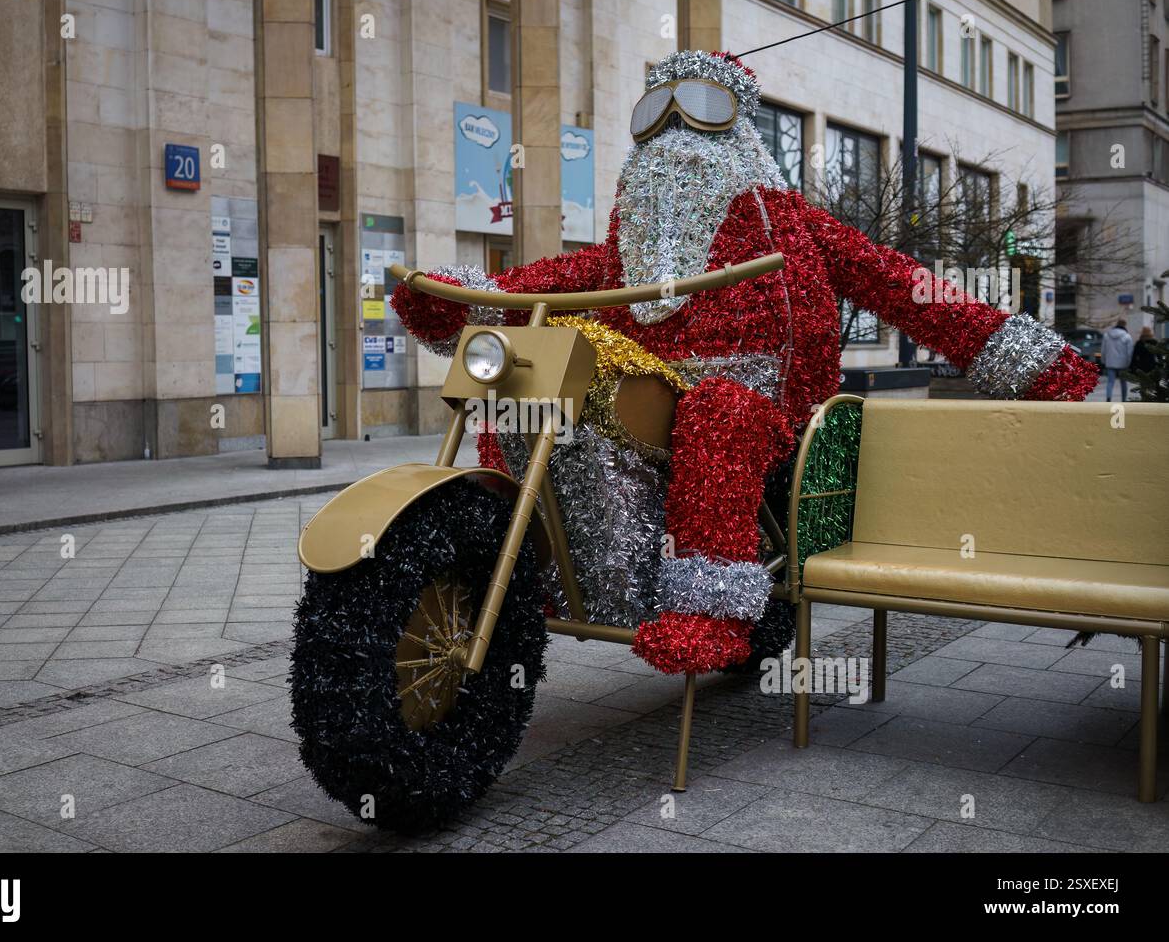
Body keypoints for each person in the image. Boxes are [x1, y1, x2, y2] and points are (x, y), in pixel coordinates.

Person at [393, 50, 1098, 676]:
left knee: (720, 410)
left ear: (740, 127)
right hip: (649, 388)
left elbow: (903, 284)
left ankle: (715, 604)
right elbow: (552, 280)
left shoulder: (792, 223)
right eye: (652, 114)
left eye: (700, 107)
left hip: (764, 401)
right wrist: (460, 302)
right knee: (522, 385)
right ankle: (529, 563)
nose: (672, 131)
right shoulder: (624, 251)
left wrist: (1028, 360)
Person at [1101, 318, 1135, 401]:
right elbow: (1129, 351)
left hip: (1110, 362)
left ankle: (1108, 397)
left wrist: (1103, 360)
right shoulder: (1127, 336)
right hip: (1123, 363)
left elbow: (1103, 350)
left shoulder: (1107, 335)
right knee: (1123, 382)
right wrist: (1129, 362)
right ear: (1124, 325)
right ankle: (1124, 399)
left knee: (1110, 382)